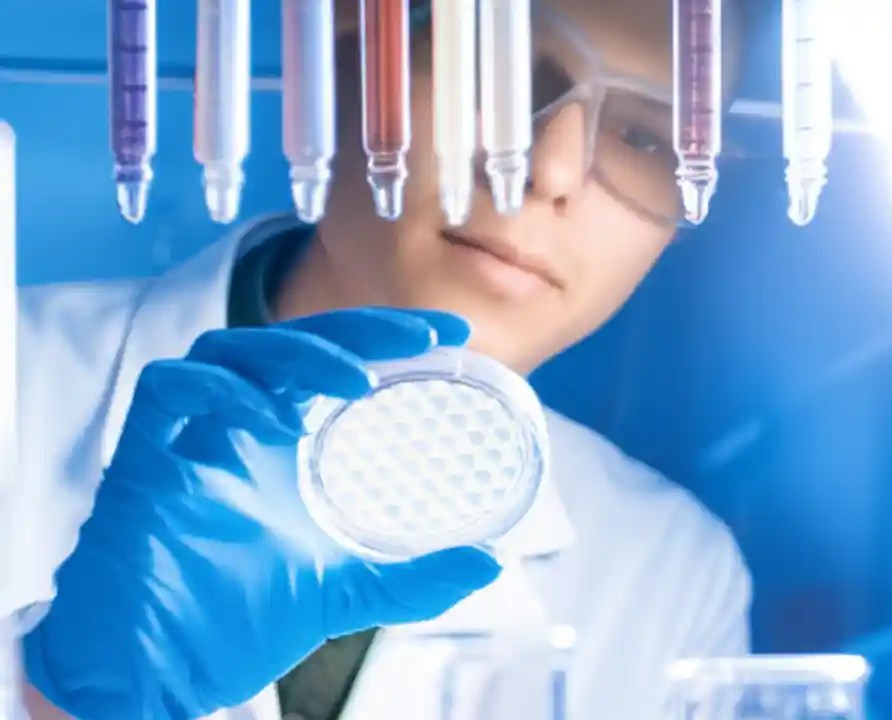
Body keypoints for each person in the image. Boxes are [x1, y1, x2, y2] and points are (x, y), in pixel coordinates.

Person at [5, 1, 754, 718]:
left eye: (645, 139)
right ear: (344, 35)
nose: (549, 172)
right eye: (501, 73)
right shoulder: (19, 377)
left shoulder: (668, 571)